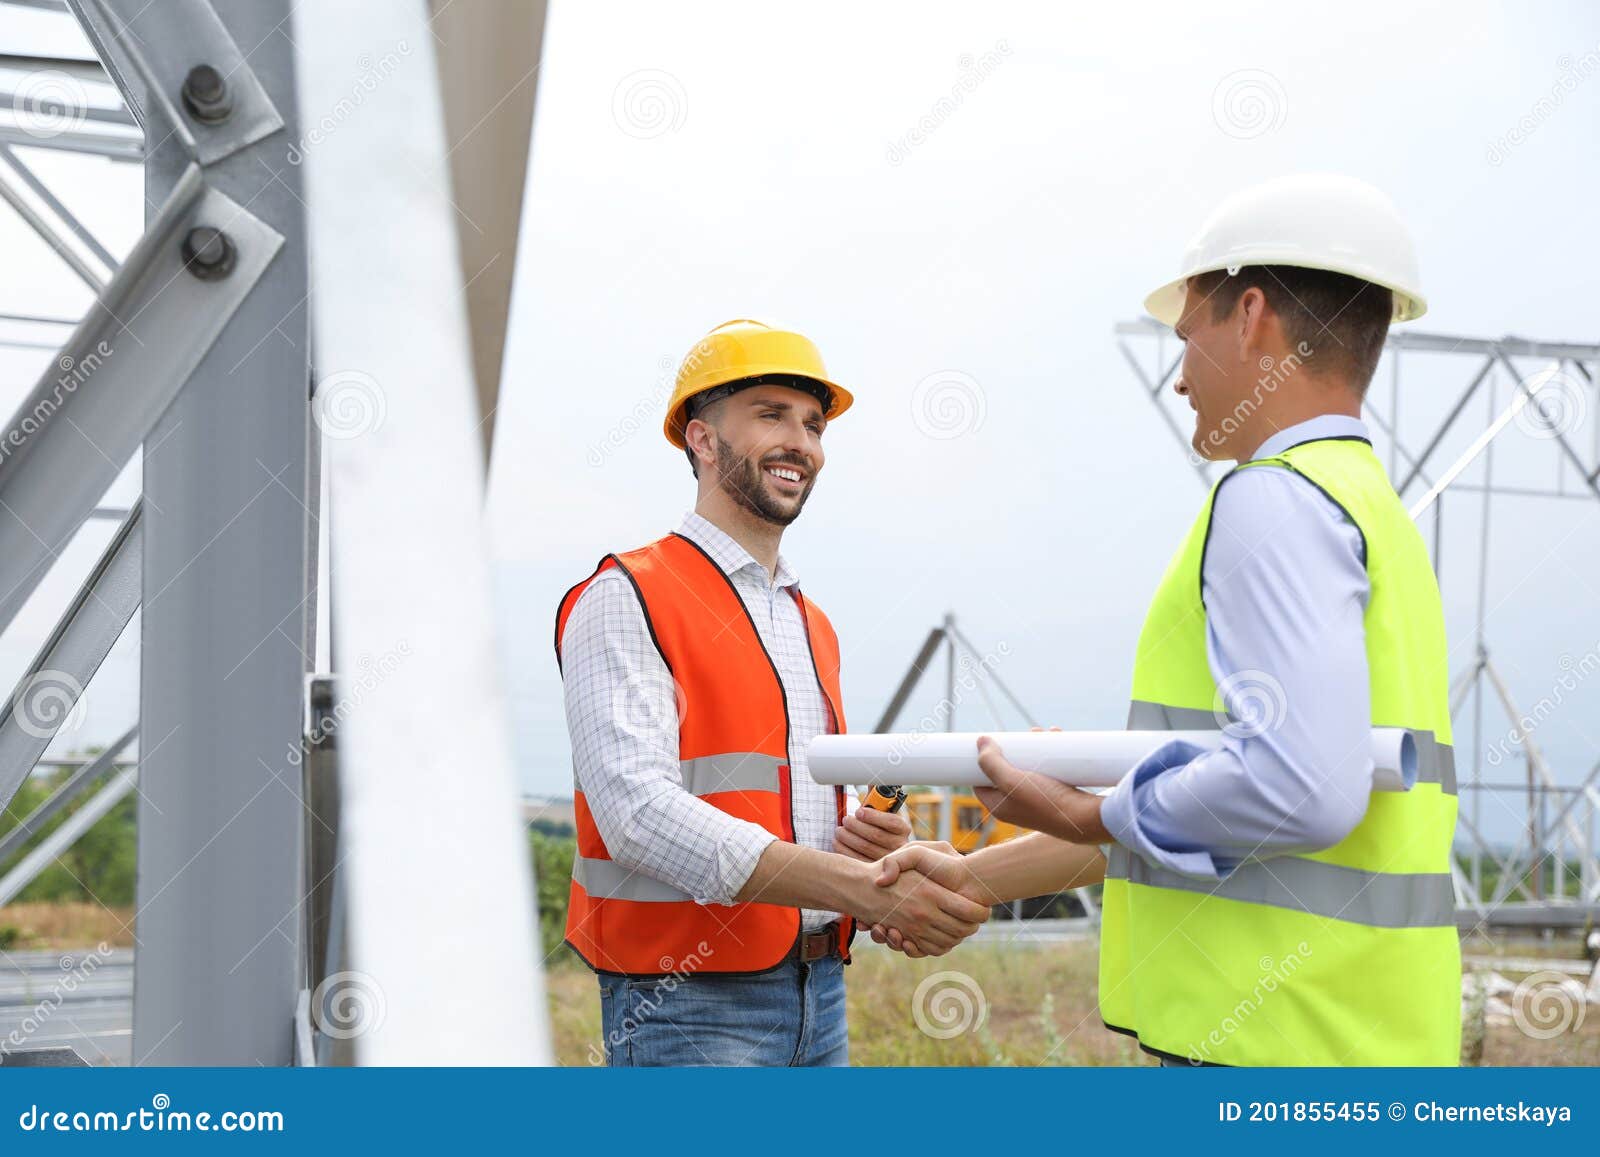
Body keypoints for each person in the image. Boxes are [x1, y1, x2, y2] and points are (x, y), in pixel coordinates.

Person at [874, 175, 1461, 1067]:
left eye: (1188, 335)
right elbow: (1205, 820)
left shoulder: (1275, 501)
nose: (1180, 375)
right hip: (1359, 1042)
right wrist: (978, 872)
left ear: (1253, 316)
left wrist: (1096, 813)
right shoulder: (1371, 513)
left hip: (1267, 1051)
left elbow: (1299, 788)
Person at [556, 319, 991, 1067]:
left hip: (819, 989)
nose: (802, 442)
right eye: (771, 414)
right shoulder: (625, 594)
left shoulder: (808, 620)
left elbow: (774, 798)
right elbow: (634, 812)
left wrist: (861, 835)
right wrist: (860, 886)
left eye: (814, 425)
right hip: (685, 1003)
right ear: (700, 439)